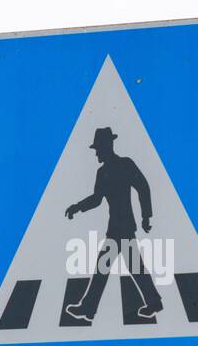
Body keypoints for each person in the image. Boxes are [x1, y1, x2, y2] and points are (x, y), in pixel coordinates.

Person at [64, 126, 163, 324]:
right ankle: (153, 302)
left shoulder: (125, 164)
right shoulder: (102, 173)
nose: (97, 153)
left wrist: (146, 217)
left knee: (109, 266)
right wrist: (77, 207)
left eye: (99, 149)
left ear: (107, 146)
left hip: (123, 227)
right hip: (117, 227)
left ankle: (89, 308)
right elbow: (96, 199)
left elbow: (143, 187)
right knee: (129, 266)